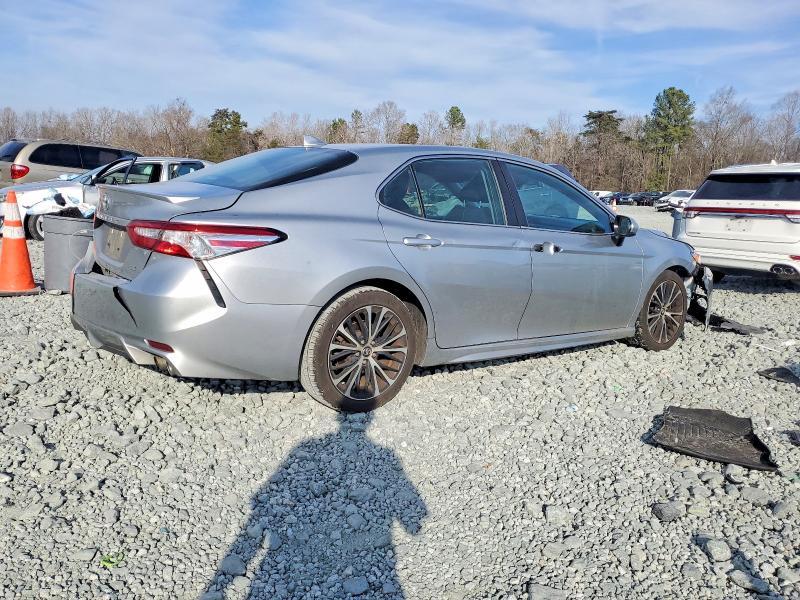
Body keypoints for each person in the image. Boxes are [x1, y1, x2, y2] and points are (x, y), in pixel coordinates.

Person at [204, 412, 427, 599]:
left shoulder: (309, 446)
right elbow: (416, 514)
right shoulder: (385, 454)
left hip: (282, 557)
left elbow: (262, 495)